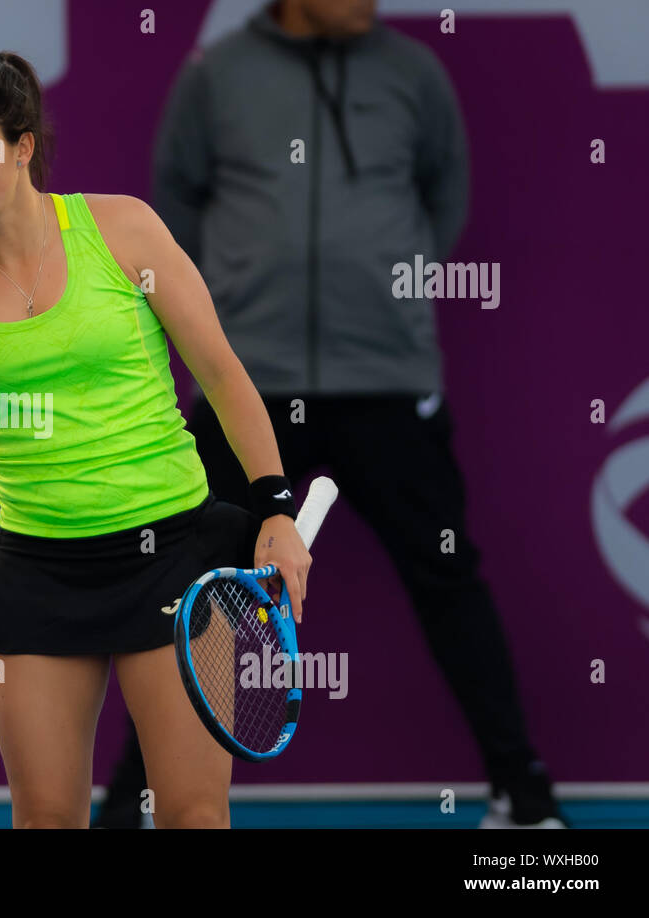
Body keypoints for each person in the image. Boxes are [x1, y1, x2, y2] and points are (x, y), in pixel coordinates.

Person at [115, 0, 564, 828]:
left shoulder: (413, 74)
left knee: (448, 576)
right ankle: (131, 803)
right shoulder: (218, 76)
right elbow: (173, 212)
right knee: (195, 597)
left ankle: (523, 794)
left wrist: (377, 287)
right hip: (248, 383)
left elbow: (443, 201)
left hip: (385, 377)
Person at [0, 51, 313, 829]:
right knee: (46, 819)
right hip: (39, 565)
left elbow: (221, 375)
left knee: (191, 814)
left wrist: (276, 510)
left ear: (20, 147)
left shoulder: (121, 227)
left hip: (175, 557)